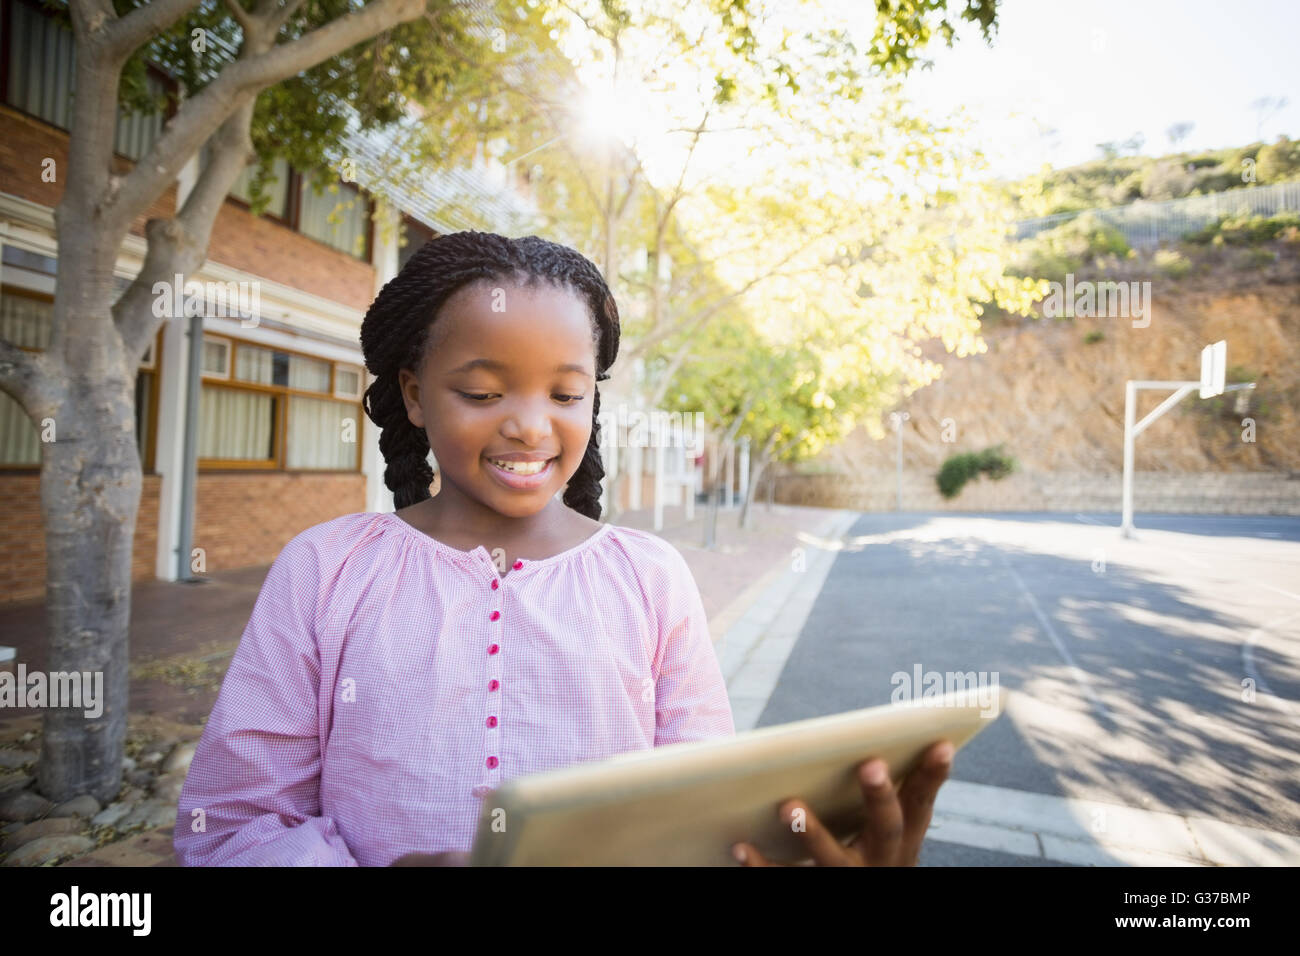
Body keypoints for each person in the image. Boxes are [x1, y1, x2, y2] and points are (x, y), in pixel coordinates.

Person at [171, 231, 953, 867]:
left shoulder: (651, 580)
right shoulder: (327, 569)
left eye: (565, 394)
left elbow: (703, 822)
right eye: (482, 393)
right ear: (412, 392)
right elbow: (229, 826)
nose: (529, 425)